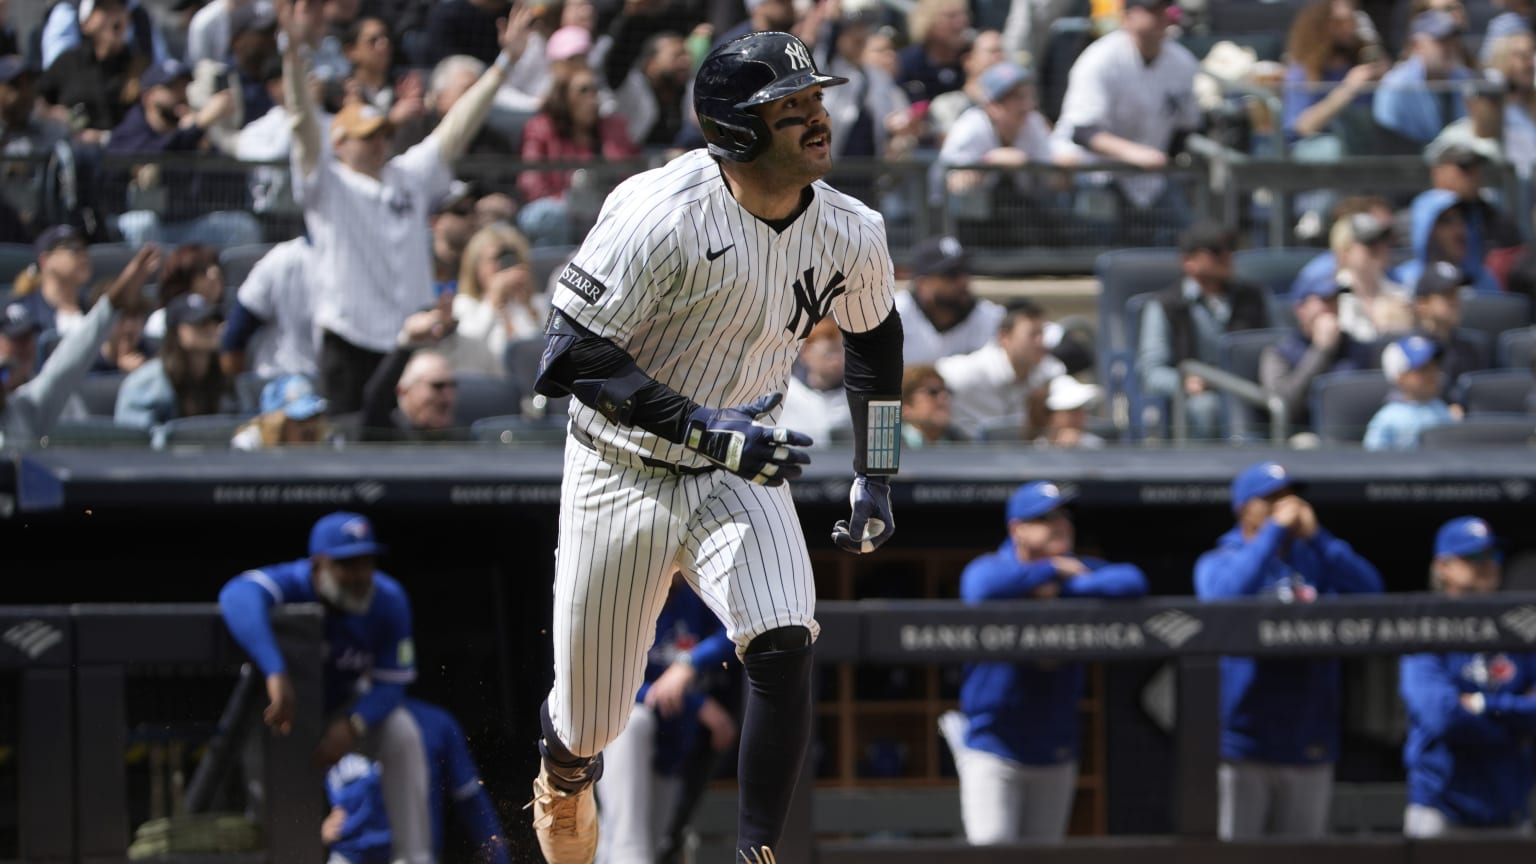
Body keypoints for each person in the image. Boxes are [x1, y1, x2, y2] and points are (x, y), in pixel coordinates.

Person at [526, 31, 904, 864]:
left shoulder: (851, 228)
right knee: (594, 716)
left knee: (783, 636)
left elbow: (875, 344)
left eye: (816, 101)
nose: (816, 119)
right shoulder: (658, 210)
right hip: (620, 467)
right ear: (737, 129)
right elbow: (567, 355)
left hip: (744, 458)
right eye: (790, 108)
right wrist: (698, 425)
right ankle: (562, 767)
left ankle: (756, 852)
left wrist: (878, 471)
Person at [282, 0, 530, 414]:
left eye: (382, 132)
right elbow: (302, 126)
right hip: (349, 340)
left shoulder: (407, 174)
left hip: (411, 337)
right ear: (340, 144)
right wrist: (293, 53)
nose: (378, 140)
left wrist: (504, 64)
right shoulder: (327, 180)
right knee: (350, 444)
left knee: (413, 444)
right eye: (366, 135)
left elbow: (456, 127)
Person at [218, 511, 436, 864]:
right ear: (318, 564)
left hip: (341, 711)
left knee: (402, 732)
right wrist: (275, 671)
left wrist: (354, 724)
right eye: (347, 565)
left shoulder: (389, 598)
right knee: (268, 809)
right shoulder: (294, 582)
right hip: (281, 715)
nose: (360, 576)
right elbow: (236, 596)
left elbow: (391, 684)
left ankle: (414, 857)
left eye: (366, 563)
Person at [942, 482, 1146, 844]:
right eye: (1045, 518)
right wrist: (1048, 570)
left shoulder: (1077, 569)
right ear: (1017, 528)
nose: (1060, 524)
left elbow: (1132, 581)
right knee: (992, 848)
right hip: (993, 746)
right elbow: (979, 588)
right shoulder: (996, 568)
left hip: (1054, 746)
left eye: (1063, 516)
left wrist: (1066, 584)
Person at [1195, 461, 1383, 840]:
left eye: (1288, 496)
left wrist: (1320, 538)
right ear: (1243, 509)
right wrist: (1273, 533)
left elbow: (1371, 593)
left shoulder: (1316, 557)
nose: (1287, 505)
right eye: (1272, 499)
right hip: (1245, 739)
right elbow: (1223, 600)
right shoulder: (1220, 559)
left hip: (1309, 735)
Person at [1400, 516, 1536, 839]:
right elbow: (1442, 716)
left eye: (1493, 556)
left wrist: (1480, 703)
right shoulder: (1425, 630)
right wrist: (1510, 724)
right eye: (1474, 557)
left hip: (1508, 806)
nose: (1487, 565)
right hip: (1441, 808)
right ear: (1443, 566)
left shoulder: (1520, 629)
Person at [594, 573, 740, 863]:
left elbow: (738, 629)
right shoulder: (622, 598)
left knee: (649, 848)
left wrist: (690, 662)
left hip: (674, 754)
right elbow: (607, 686)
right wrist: (696, 702)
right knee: (629, 847)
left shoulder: (695, 592)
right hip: (624, 748)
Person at [1051, 0, 1199, 245]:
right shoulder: (1101, 58)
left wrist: (1165, 159)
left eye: (1163, 10)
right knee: (1099, 244)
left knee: (1185, 235)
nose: (1160, 16)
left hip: (1150, 175)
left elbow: (1185, 127)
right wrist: (1134, 153)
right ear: (1128, 16)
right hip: (1095, 171)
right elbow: (1082, 131)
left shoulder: (1182, 62)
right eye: (1151, 10)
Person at [0, 244, 158, 446]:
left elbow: (72, 356)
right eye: (15, 339)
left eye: (27, 338)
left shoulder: (28, 405)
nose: (23, 347)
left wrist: (114, 302)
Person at [322, 698, 511, 864]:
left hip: (413, 853)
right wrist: (317, 830)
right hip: (348, 856)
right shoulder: (332, 721)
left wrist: (499, 858)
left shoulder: (432, 723)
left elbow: (472, 803)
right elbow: (301, 792)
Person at [1138, 223, 1269, 440]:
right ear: (1188, 261)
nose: (1227, 256)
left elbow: (1279, 346)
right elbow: (1151, 372)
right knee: (1205, 408)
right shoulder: (1166, 305)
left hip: (1250, 393)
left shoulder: (1256, 298)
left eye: (1230, 249)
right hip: (1198, 402)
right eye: (1216, 251)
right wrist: (1183, 382)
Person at [515, 63, 640, 247]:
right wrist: (568, 202)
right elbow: (531, 181)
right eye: (583, 91)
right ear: (564, 98)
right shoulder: (540, 128)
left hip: (605, 208)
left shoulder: (614, 128)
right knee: (547, 215)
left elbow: (633, 176)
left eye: (595, 90)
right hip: (560, 210)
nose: (593, 98)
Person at [932, 61, 1055, 246]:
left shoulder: (1033, 123)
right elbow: (953, 184)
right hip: (962, 222)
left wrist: (1035, 165)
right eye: (1017, 98)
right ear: (993, 105)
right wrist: (989, 162)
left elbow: (1054, 179)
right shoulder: (972, 126)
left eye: (1028, 96)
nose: (1027, 105)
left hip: (1016, 216)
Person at [1259, 269, 1375, 431]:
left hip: (1356, 435)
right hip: (1306, 437)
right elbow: (1284, 405)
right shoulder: (1280, 353)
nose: (1332, 308)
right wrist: (1321, 351)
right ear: (1301, 309)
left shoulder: (1357, 348)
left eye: (1335, 300)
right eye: (1324, 300)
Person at [936, 298, 1064, 439]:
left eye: (1042, 334)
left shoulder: (1047, 372)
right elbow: (917, 382)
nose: (1041, 342)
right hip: (960, 456)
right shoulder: (968, 371)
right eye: (1033, 335)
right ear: (1004, 337)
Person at [356, 299, 472, 442]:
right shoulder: (386, 430)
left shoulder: (461, 438)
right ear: (403, 391)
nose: (447, 394)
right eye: (438, 386)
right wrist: (407, 342)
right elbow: (376, 397)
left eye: (452, 385)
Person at [1281, 0, 1386, 154]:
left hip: (1361, 143)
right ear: (1321, 26)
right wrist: (1347, 89)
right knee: (1331, 148)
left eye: (1351, 20)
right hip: (1317, 146)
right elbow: (1303, 127)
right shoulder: (1303, 70)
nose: (1348, 28)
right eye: (1339, 22)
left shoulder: (1361, 62)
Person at [443, 222, 543, 378]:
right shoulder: (464, 305)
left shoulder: (531, 303)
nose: (504, 265)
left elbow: (546, 348)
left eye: (511, 258)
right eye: (496, 259)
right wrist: (493, 301)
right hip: (488, 388)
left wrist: (528, 305)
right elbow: (468, 353)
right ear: (477, 266)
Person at [114, 293, 228, 428]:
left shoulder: (224, 379)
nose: (210, 328)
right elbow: (135, 442)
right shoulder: (146, 383)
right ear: (176, 331)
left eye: (214, 321)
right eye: (199, 322)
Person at [220, 237, 318, 382]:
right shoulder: (282, 259)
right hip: (278, 384)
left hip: (280, 383)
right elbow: (235, 336)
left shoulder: (282, 257)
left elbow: (234, 337)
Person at [896, 235, 1003, 365]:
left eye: (965, 271)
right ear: (922, 284)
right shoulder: (893, 315)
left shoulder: (991, 318)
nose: (963, 281)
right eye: (951, 274)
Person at [1374, 10, 1474, 146]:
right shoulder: (1396, 85)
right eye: (1440, 40)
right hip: (1408, 162)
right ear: (1417, 45)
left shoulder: (1465, 78)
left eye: (1452, 40)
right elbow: (1389, 137)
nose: (1449, 47)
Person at [1409, 261, 1490, 404]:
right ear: (1422, 304)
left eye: (1457, 293)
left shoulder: (1473, 348)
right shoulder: (1411, 350)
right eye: (1447, 294)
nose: (1456, 301)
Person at [1364, 333, 1456, 450]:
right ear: (1400, 376)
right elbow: (1373, 459)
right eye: (1423, 369)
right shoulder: (1388, 418)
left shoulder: (1442, 409)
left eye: (1435, 366)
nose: (1432, 374)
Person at [1330, 211, 1412, 343]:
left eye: (1382, 241)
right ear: (1345, 251)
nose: (1380, 248)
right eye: (1370, 243)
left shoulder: (1400, 292)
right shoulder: (1329, 294)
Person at [779, 317, 851, 446]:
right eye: (829, 353)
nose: (837, 360)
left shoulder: (855, 395)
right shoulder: (786, 393)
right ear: (806, 353)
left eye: (840, 352)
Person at [231, 372, 330, 449]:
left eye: (314, 417)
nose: (310, 427)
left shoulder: (327, 442)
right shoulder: (248, 444)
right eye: (300, 420)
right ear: (277, 423)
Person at [899, 362, 964, 445]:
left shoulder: (964, 445)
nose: (944, 397)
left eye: (948, 391)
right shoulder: (889, 448)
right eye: (933, 392)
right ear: (905, 406)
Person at [1037, 374, 1104, 449]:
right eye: (1072, 410)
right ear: (1052, 415)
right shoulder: (1037, 447)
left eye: (1081, 410)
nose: (1080, 416)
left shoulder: (1095, 445)